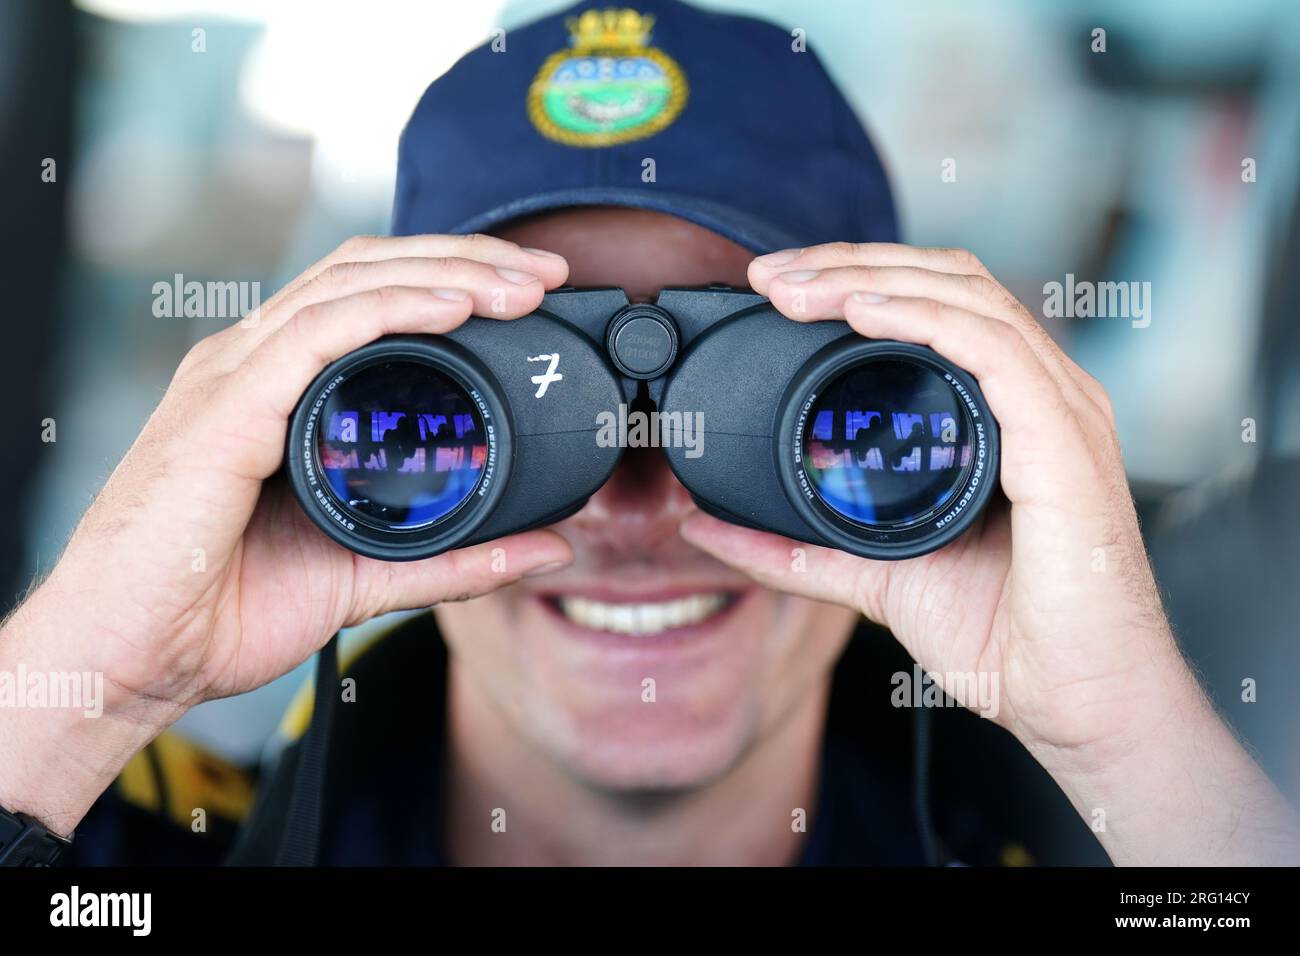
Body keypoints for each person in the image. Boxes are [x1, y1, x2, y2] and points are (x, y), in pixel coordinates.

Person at [2, 0, 1297, 867]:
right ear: (352, 410)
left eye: (760, 397)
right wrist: (91, 680)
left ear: (920, 406)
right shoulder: (131, 850)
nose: (633, 509)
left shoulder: (1127, 845)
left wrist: (1127, 735)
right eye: (507, 401)